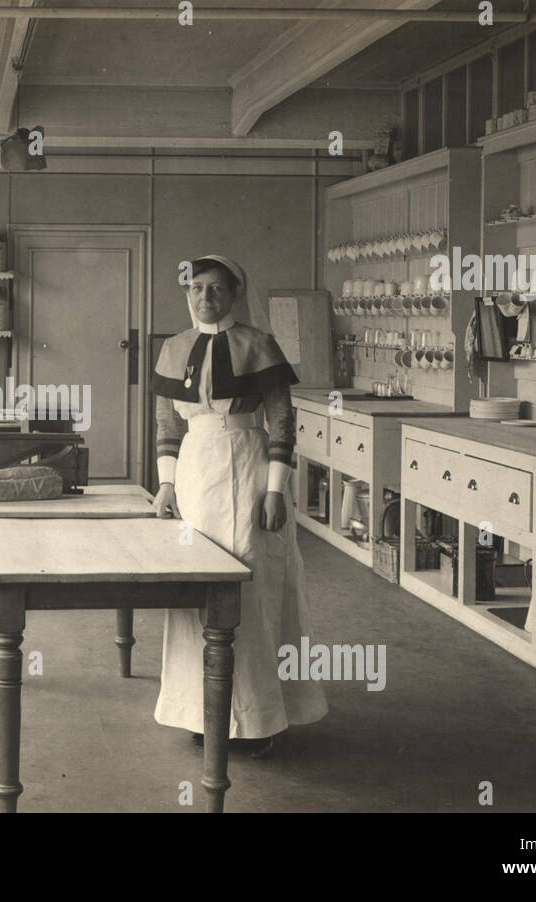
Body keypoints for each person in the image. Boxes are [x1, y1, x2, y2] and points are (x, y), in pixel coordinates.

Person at [151, 254, 327, 757]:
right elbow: (167, 426)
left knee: (253, 589)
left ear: (234, 294)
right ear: (186, 294)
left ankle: (258, 719)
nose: (205, 298)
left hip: (249, 472)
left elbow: (282, 422)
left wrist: (275, 489)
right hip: (194, 474)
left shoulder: (258, 345)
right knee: (195, 591)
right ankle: (199, 710)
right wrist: (166, 486)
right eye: (197, 289)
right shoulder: (173, 349)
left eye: (217, 290)